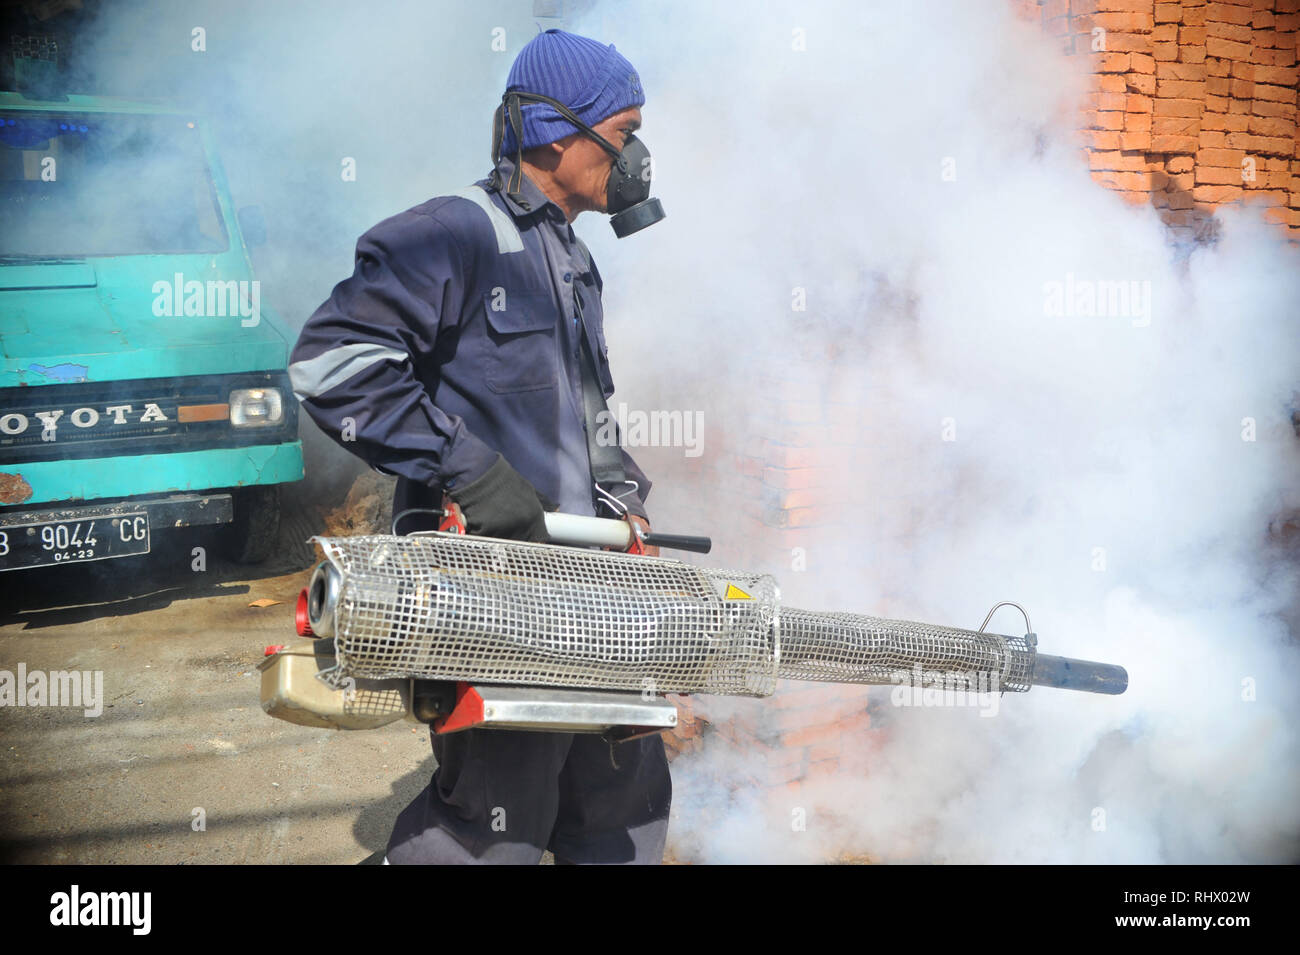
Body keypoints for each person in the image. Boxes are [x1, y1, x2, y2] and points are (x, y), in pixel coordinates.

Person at [288, 28, 672, 864]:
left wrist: (624, 493)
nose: (635, 153)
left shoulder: (571, 259)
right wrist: (470, 469)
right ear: (552, 132)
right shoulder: (454, 232)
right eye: (624, 129)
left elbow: (584, 411)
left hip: (591, 583)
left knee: (624, 799)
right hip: (491, 590)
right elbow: (331, 367)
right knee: (494, 825)